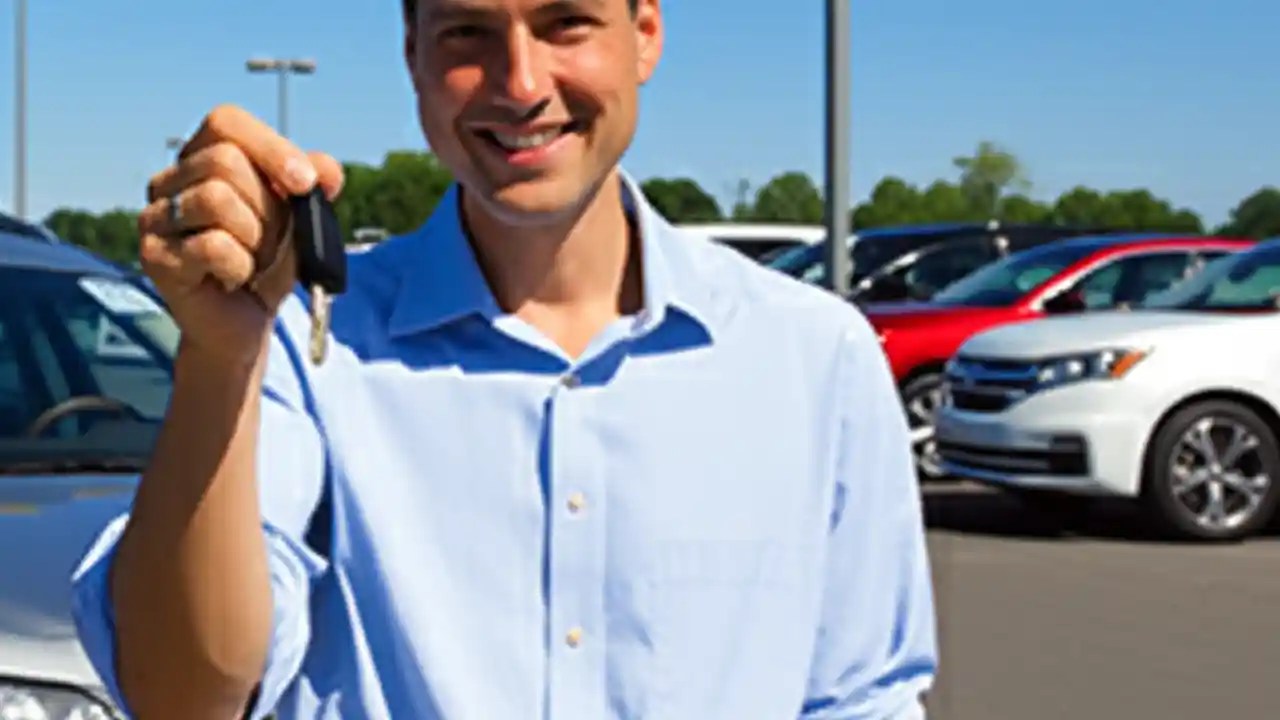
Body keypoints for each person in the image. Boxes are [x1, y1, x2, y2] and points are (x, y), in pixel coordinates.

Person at [70, 0, 938, 717]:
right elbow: (182, 697)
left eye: (565, 24)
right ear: (413, 53)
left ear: (645, 35)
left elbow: (862, 697)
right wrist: (221, 358)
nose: (521, 84)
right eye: (467, 34)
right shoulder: (302, 344)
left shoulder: (814, 359)